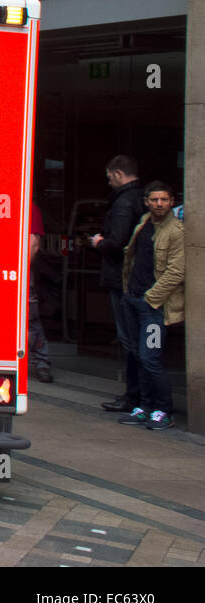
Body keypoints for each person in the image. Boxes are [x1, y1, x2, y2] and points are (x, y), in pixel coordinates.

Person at [117, 182, 184, 431]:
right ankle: (144, 408)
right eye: (154, 200)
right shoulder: (144, 222)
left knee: (150, 357)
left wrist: (151, 297)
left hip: (152, 308)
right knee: (137, 355)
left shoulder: (176, 231)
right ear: (147, 201)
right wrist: (129, 293)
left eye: (164, 200)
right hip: (132, 301)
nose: (159, 204)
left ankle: (164, 410)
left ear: (171, 201)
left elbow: (177, 271)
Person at [89, 155, 143, 412]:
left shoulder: (123, 202)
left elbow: (118, 241)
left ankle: (135, 397)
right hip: (135, 277)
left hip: (122, 277)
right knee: (136, 338)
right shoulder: (140, 198)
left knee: (129, 338)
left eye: (110, 177)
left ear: (119, 174)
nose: (109, 182)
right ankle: (139, 396)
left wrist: (99, 242)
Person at [29, 201, 52, 382]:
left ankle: (42, 362)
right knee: (31, 319)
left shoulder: (29, 206)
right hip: (14, 273)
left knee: (31, 318)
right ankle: (41, 362)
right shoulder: (30, 206)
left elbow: (33, 243)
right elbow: (33, 242)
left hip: (14, 272)